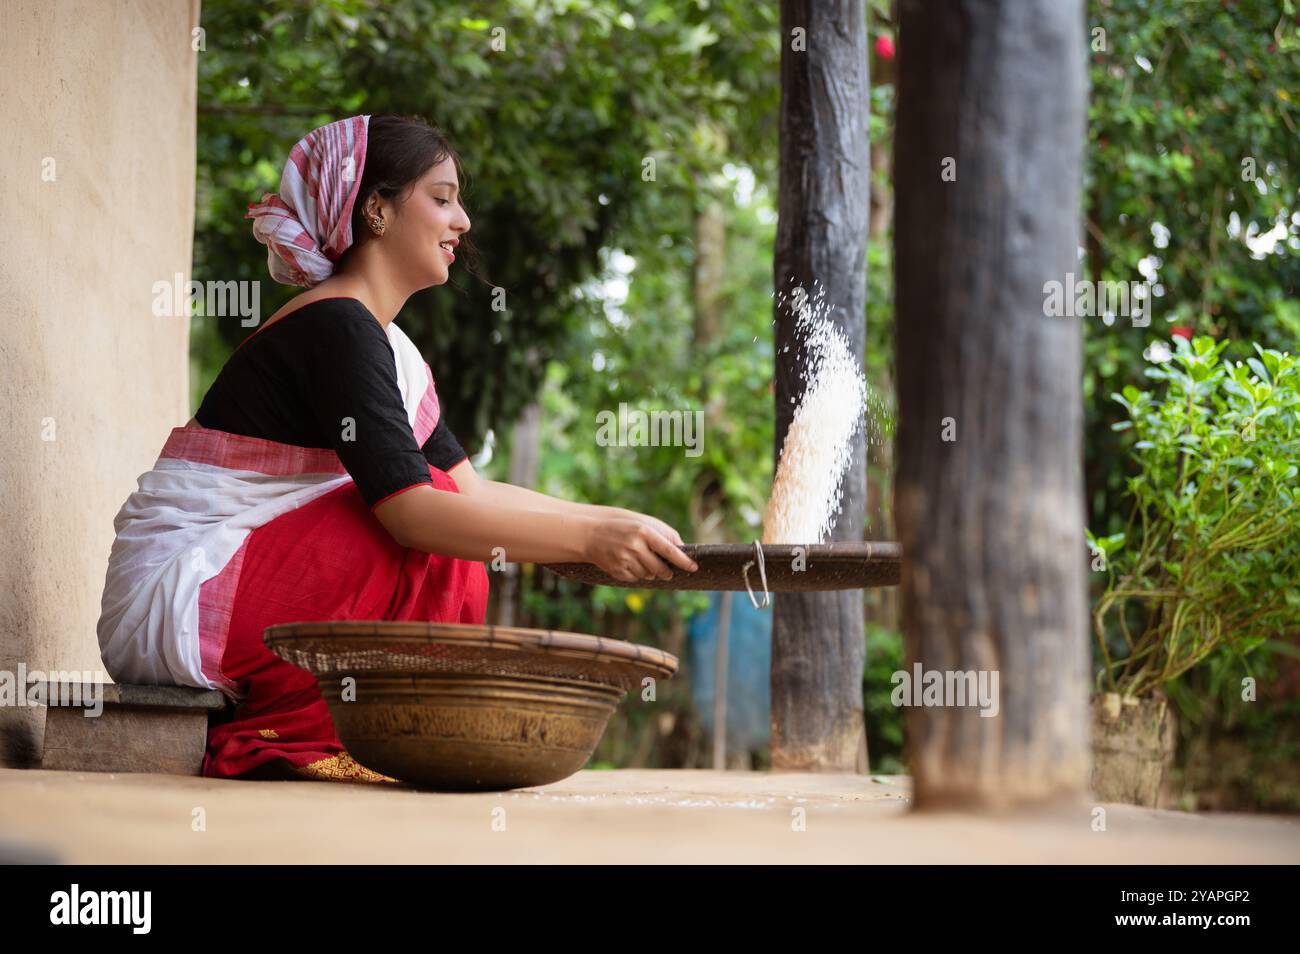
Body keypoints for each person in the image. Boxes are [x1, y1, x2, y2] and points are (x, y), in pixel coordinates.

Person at [96, 113, 697, 783]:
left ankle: (344, 734)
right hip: (184, 593)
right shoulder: (338, 324)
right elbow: (416, 512)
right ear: (377, 209)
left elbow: (473, 491)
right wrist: (587, 542)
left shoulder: (385, 345)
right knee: (433, 526)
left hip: (232, 582)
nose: (461, 221)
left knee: (445, 506)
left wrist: (607, 524)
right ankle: (294, 737)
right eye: (441, 198)